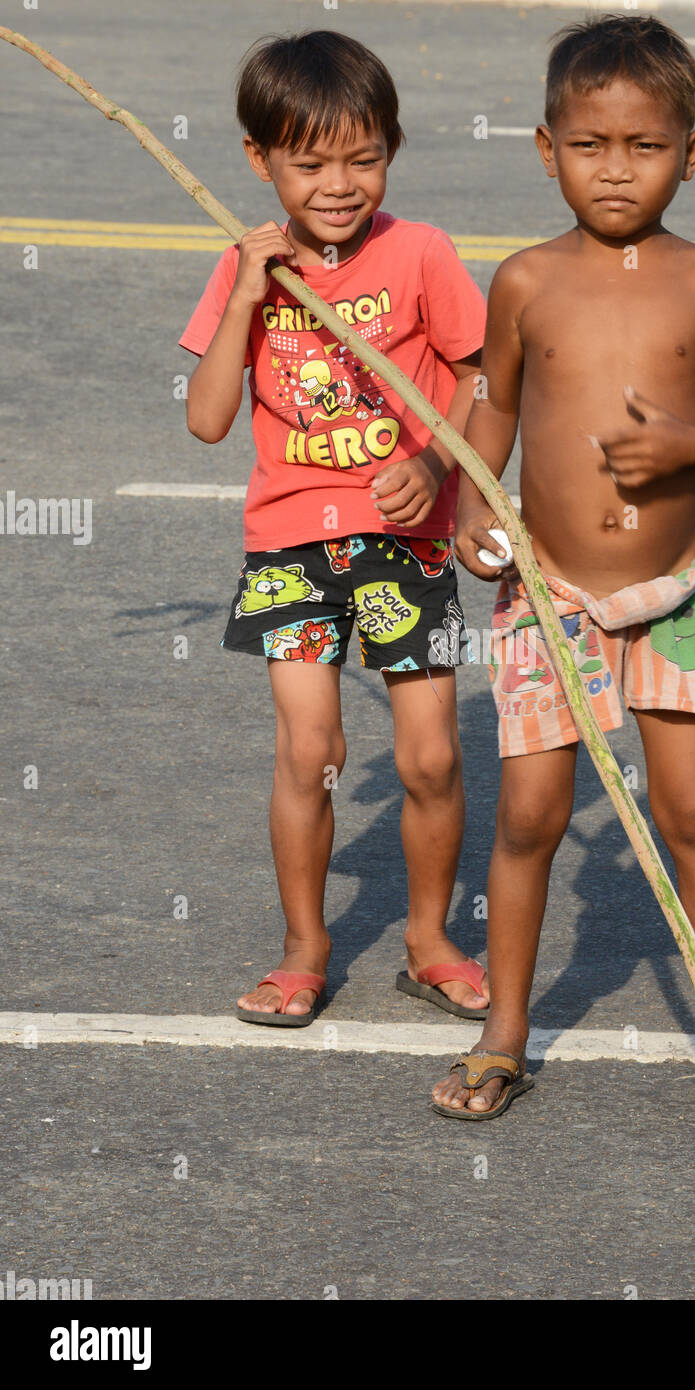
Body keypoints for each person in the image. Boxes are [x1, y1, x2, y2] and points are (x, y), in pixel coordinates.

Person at [431, 14, 695, 1126]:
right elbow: (492, 405)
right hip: (546, 592)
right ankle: (506, 1034)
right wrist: (467, 510)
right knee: (532, 815)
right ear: (547, 149)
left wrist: (692, 444)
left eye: (644, 145)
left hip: (675, 591)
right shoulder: (527, 280)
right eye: (590, 144)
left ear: (692, 150)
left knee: (692, 810)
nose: (616, 169)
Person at [179, 30, 489, 1025]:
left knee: (431, 756)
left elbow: (484, 381)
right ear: (259, 160)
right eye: (310, 163)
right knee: (309, 747)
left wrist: (439, 464)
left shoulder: (421, 253)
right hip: (288, 545)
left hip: (407, 541)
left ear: (391, 149)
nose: (340, 184)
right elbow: (208, 417)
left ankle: (431, 937)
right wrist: (248, 296)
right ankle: (304, 946)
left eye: (364, 158)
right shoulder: (248, 269)